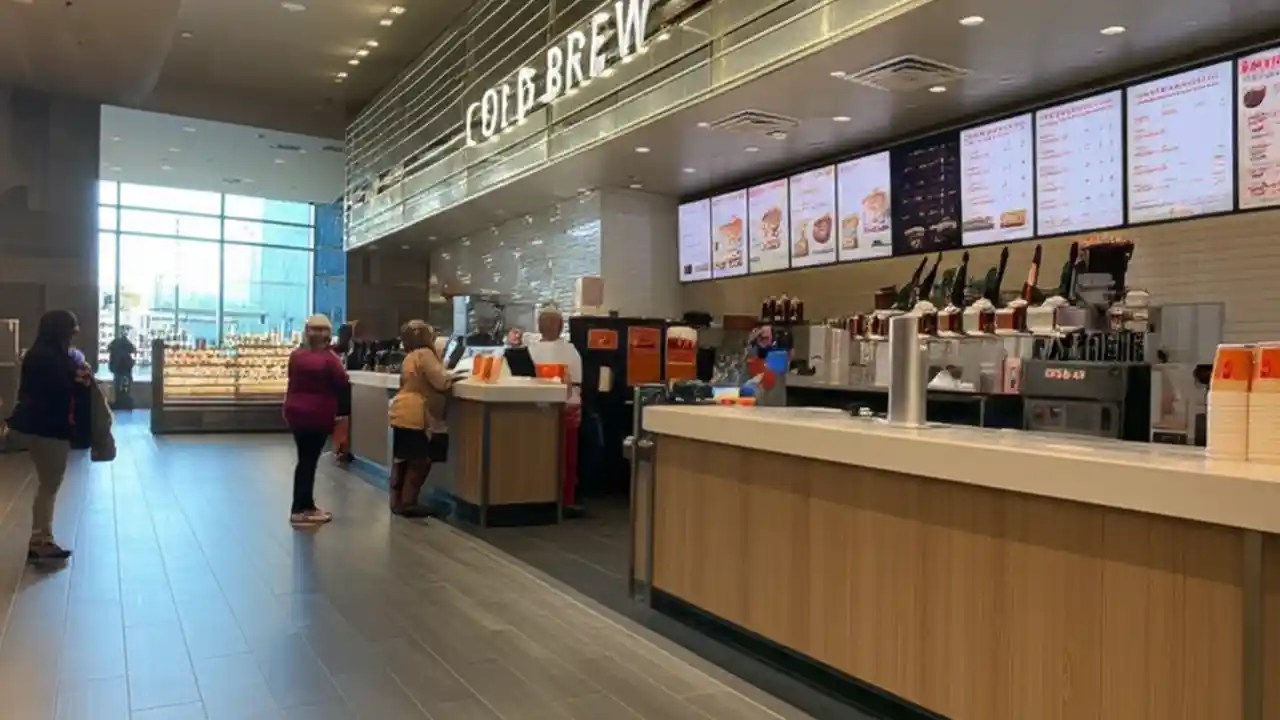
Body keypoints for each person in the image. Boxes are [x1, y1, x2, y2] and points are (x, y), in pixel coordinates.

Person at [6, 310, 86, 561]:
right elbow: (57, 393)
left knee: (46, 484)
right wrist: (78, 380)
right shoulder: (53, 359)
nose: (75, 334)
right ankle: (41, 540)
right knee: (49, 485)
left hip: (34, 426)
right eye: (72, 329)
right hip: (50, 429)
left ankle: (41, 538)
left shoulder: (38, 354)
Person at [283, 314, 349, 527]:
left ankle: (306, 505)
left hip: (295, 412)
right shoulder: (329, 359)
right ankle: (301, 509)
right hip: (317, 415)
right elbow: (342, 383)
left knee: (305, 459)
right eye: (318, 329)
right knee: (308, 461)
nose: (321, 333)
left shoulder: (296, 355)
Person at [387, 320, 454, 518]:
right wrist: (454, 377)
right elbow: (441, 382)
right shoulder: (425, 354)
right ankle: (409, 502)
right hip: (417, 413)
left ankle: (396, 501)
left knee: (402, 459)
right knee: (419, 461)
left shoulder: (409, 357)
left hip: (402, 410)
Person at [526, 307, 585, 517]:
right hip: (537, 407)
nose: (549, 327)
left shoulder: (570, 351)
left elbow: (576, 382)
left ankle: (565, 497)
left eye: (553, 323)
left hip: (566, 406)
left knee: (566, 453)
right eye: (545, 322)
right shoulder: (531, 349)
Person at [107, 328, 136, 410]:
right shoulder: (127, 343)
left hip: (118, 368)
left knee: (117, 385)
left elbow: (109, 349)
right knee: (126, 385)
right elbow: (133, 350)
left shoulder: (114, 343)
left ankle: (119, 401)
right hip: (125, 368)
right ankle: (124, 401)